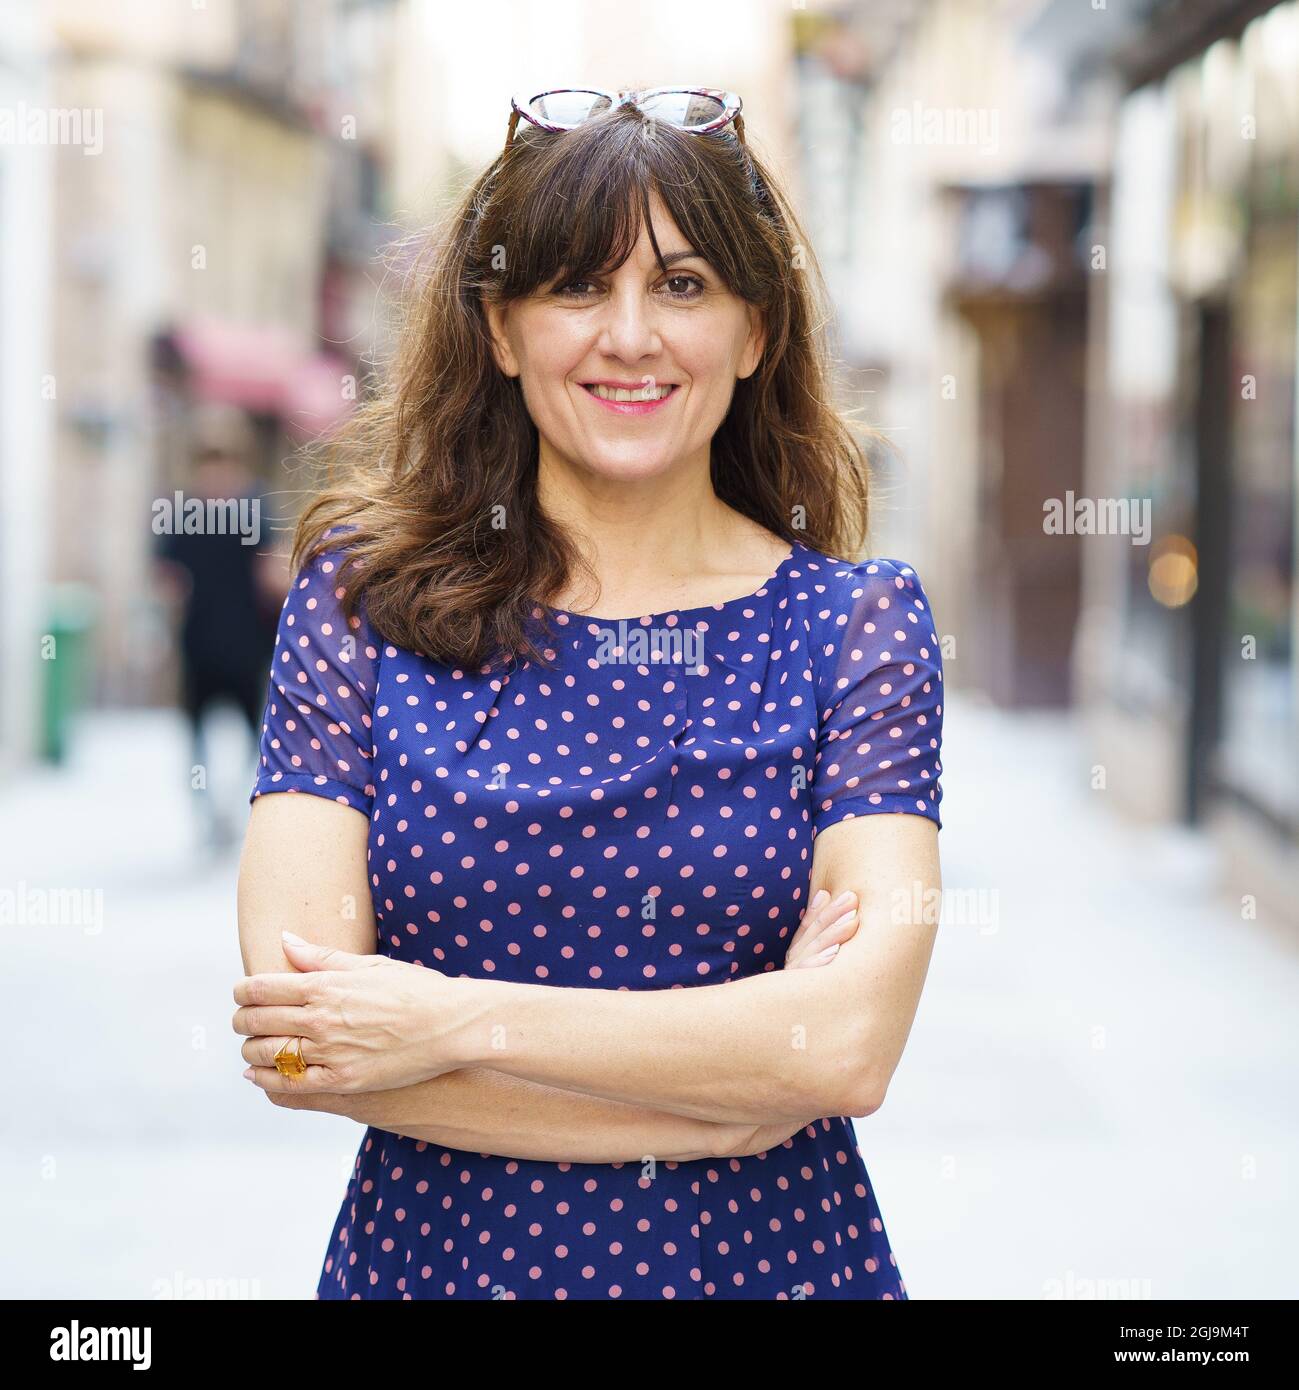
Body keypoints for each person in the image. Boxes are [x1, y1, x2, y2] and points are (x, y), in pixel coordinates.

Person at [233, 88, 944, 1300]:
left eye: (681, 285)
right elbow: (305, 1044)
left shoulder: (857, 628)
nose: (629, 335)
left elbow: (845, 1047)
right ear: (501, 330)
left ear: (756, 329)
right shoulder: (357, 602)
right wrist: (727, 1101)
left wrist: (444, 1021)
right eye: (574, 286)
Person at [155, 408, 284, 848]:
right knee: (213, 734)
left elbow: (167, 582)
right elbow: (273, 577)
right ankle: (217, 810)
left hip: (230, 641)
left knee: (240, 733)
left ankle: (224, 808)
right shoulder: (253, 509)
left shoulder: (186, 511)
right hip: (219, 641)